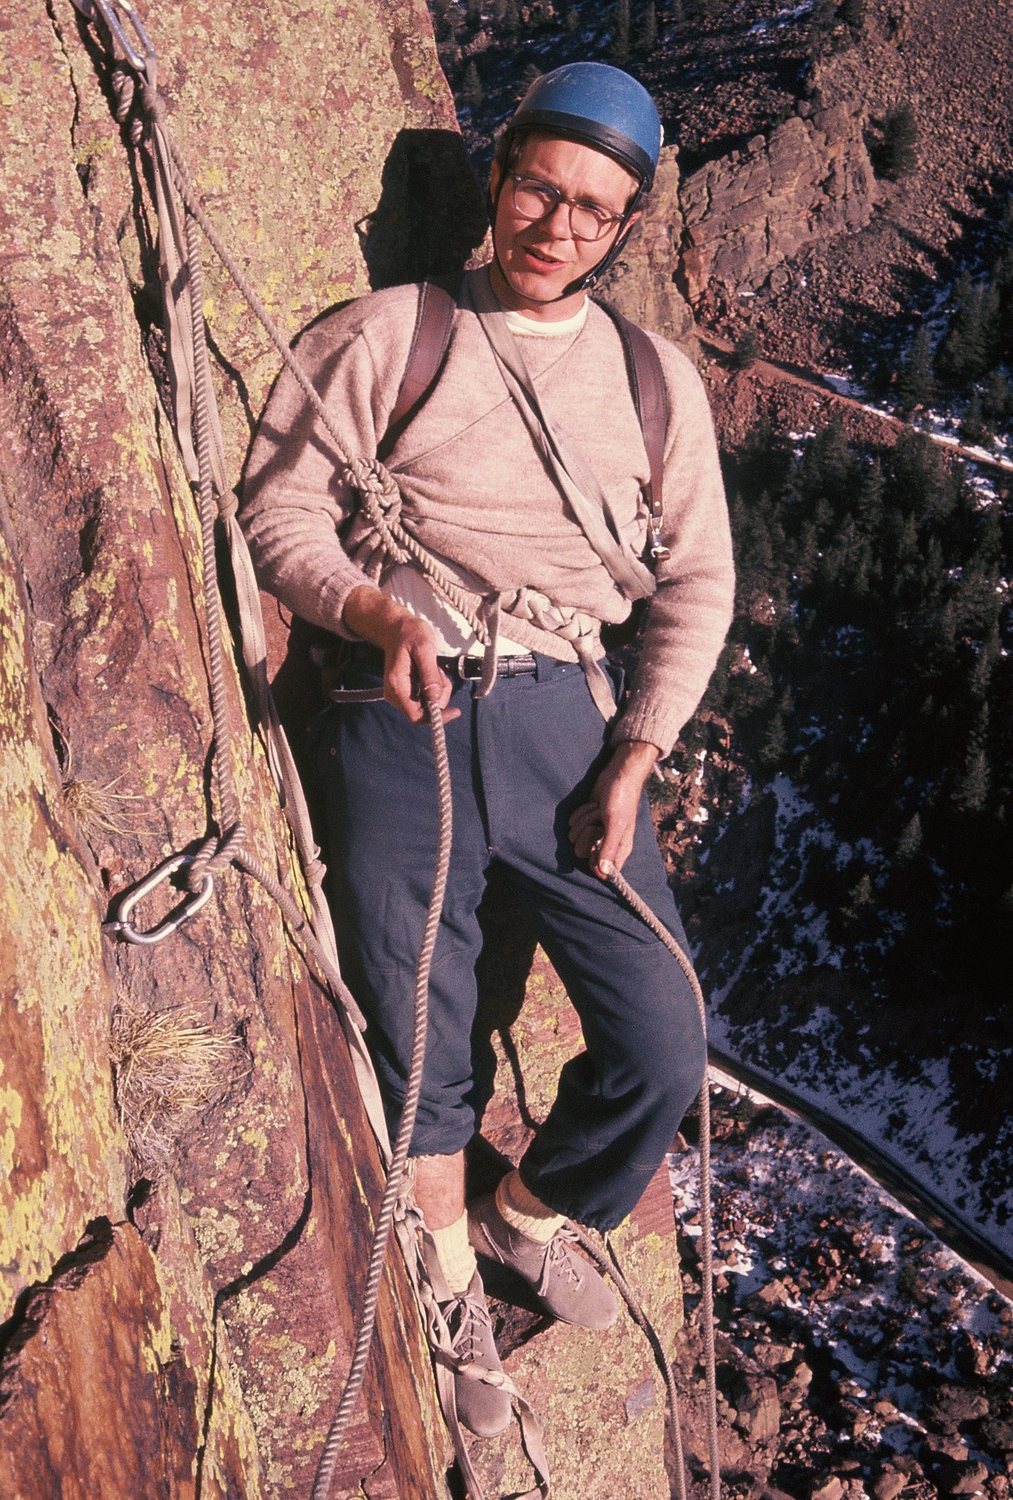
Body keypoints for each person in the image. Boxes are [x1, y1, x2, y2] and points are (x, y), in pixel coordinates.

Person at [242, 62, 734, 1438]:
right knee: (421, 1021)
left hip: (570, 717)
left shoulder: (653, 385)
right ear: (498, 170)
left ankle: (528, 1213)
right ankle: (450, 1282)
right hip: (406, 706)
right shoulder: (390, 334)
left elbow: (694, 583)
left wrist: (635, 751)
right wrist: (362, 604)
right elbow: (279, 505)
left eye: (593, 208)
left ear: (625, 225)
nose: (557, 226)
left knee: (661, 1029)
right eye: (538, 187)